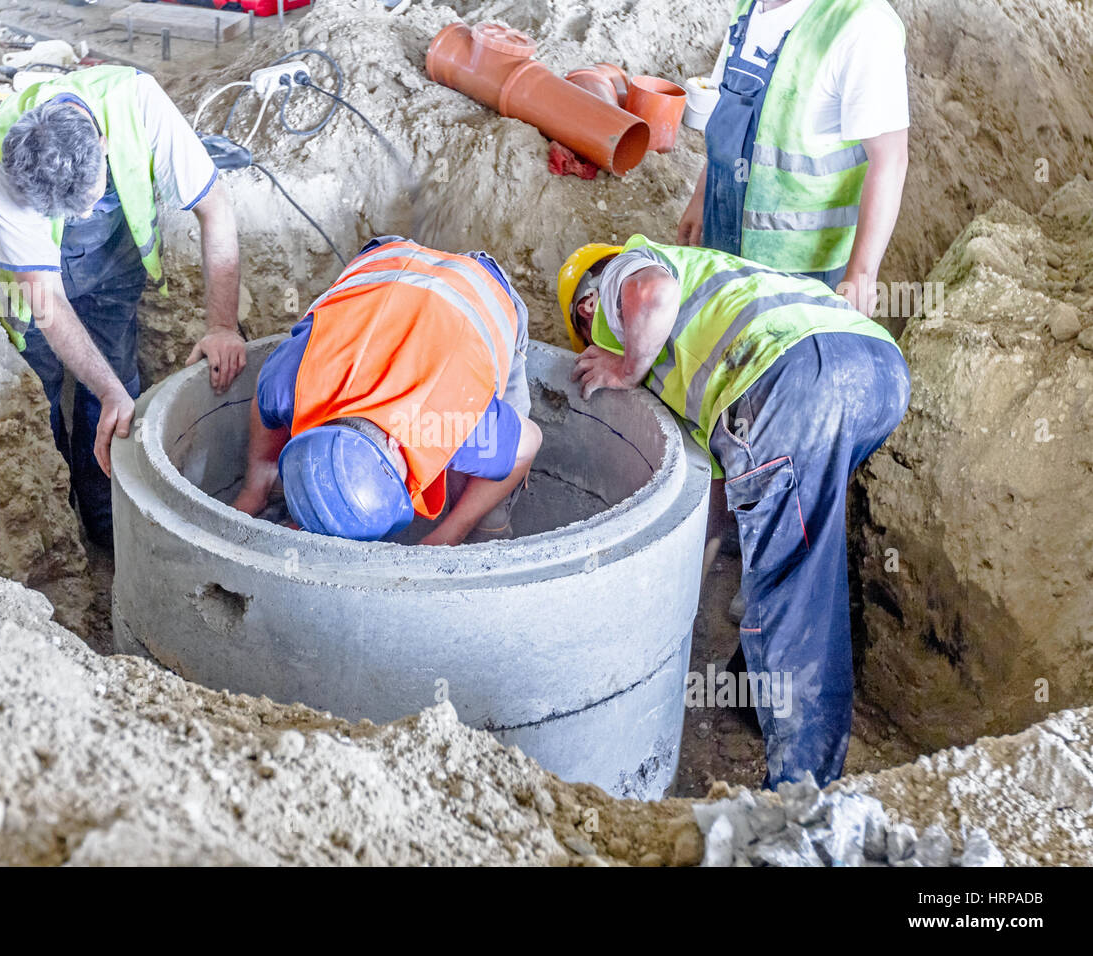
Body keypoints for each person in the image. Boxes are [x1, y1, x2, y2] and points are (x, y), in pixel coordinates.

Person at [559, 235, 910, 787]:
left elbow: (650, 294)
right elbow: (719, 502)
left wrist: (624, 368)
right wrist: (678, 603)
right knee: (798, 539)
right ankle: (754, 693)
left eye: (585, 345)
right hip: (877, 370)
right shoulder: (717, 292)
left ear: (587, 309)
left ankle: (801, 792)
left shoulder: (623, 275)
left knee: (789, 594)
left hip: (787, 380)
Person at [0, 65, 244, 549]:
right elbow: (44, 300)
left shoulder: (138, 102)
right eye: (61, 213)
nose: (76, 220)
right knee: (39, 388)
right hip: (27, 282)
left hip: (113, 264)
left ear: (104, 145)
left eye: (86, 204)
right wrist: (111, 391)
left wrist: (222, 326)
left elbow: (215, 207)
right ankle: (57, 522)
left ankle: (107, 521)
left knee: (116, 381)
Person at [233, 236, 542, 545]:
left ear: (397, 445)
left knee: (488, 481)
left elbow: (528, 442)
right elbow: (266, 394)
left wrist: (449, 534)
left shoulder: (453, 425)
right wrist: (254, 488)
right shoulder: (290, 383)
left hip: (486, 294)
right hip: (386, 261)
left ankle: (486, 534)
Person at [677, 0, 909, 317]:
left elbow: (890, 159)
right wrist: (703, 196)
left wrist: (861, 275)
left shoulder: (863, 24)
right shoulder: (751, 7)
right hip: (724, 243)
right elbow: (731, 116)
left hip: (802, 274)